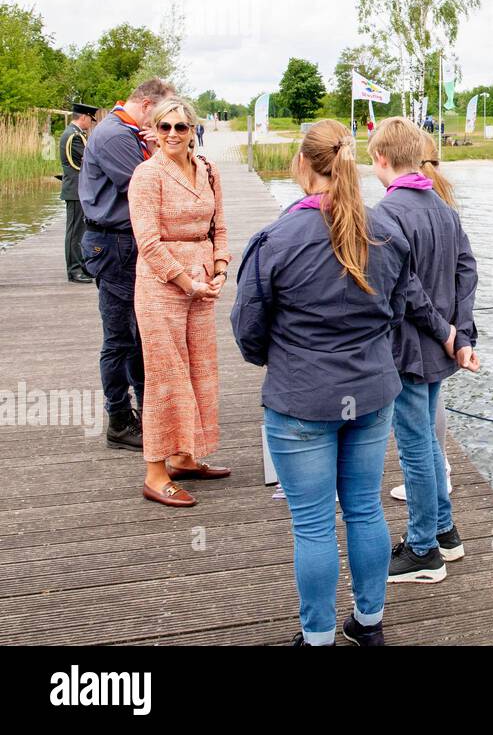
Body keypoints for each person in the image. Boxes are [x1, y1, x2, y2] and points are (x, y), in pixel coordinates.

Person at [230, 119, 413, 646]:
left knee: (312, 524)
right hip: (372, 393)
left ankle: (318, 638)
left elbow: (248, 327)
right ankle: (369, 624)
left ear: (304, 164)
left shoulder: (277, 238)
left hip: (301, 398)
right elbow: (395, 310)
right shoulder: (387, 232)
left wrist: (282, 361)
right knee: (365, 507)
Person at [368, 117, 479, 585]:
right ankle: (445, 532)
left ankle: (422, 550)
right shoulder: (443, 207)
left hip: (410, 351)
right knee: (431, 443)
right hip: (437, 351)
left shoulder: (386, 213)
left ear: (381, 159)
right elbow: (466, 272)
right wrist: (462, 334)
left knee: (415, 448)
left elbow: (405, 289)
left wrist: (447, 334)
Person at [128, 97, 231, 508]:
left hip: (203, 281)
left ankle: (184, 454)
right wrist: (186, 281)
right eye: (165, 127)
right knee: (165, 375)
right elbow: (148, 243)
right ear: (154, 130)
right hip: (162, 286)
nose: (173, 134)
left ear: (193, 130)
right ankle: (155, 472)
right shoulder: (146, 175)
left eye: (181, 127)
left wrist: (221, 266)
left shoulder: (208, 169)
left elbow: (218, 225)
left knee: (199, 370)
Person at [80, 77, 176, 449]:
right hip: (113, 242)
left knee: (137, 332)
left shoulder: (126, 131)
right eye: (163, 116)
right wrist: (161, 154)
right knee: (121, 337)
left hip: (121, 242)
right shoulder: (117, 135)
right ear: (149, 106)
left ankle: (144, 412)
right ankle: (120, 419)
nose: (166, 125)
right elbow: (148, 188)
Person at [59, 103, 98, 284]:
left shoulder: (75, 134)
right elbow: (88, 160)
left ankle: (81, 266)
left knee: (80, 231)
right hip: (75, 189)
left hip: (77, 188)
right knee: (75, 232)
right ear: (83, 117)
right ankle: (74, 270)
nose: (91, 123)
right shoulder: (74, 136)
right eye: (90, 119)